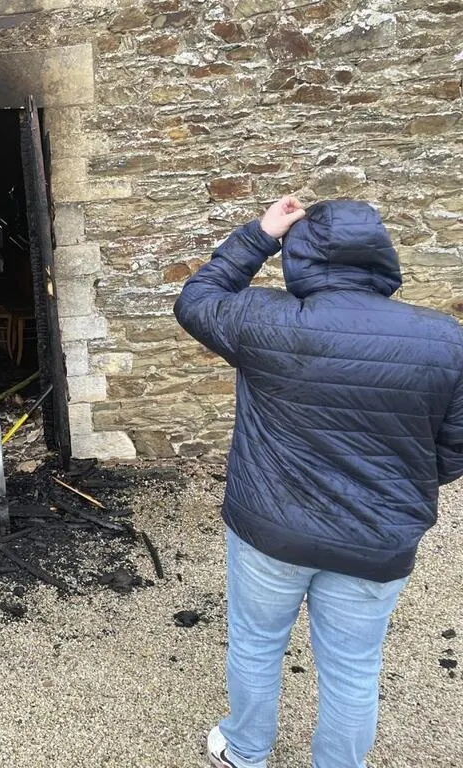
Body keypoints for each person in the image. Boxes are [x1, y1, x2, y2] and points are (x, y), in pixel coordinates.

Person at [174, 196, 463, 768]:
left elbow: (197, 299)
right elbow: (452, 453)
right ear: (381, 256)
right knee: (354, 667)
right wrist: (399, 486)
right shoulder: (446, 339)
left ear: (299, 254)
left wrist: (259, 234)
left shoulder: (266, 320)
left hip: (271, 528)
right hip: (376, 536)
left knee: (257, 645)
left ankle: (247, 752)